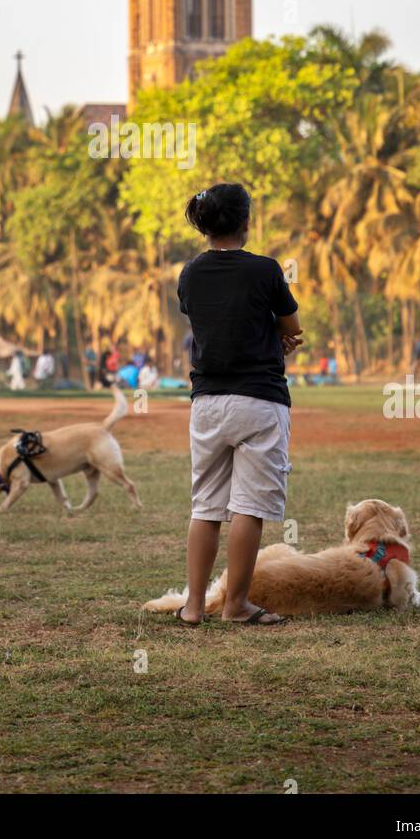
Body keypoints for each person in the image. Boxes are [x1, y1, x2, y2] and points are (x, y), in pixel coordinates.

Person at [176, 182, 303, 627]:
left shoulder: (190, 274)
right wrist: (275, 334)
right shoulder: (266, 270)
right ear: (246, 221)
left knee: (205, 506)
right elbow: (292, 324)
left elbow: (216, 321)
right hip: (260, 400)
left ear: (206, 224)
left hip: (207, 401)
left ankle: (193, 606)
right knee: (248, 507)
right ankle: (235, 605)